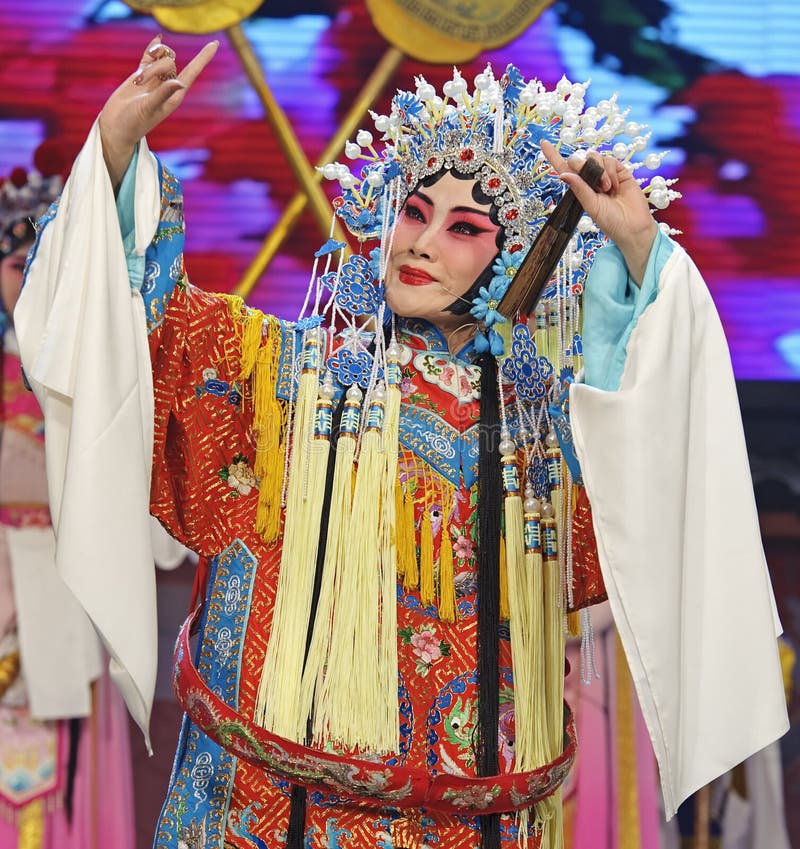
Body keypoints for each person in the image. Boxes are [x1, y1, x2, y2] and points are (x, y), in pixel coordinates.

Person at [14, 37, 788, 849]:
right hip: (260, 813)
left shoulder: (545, 441)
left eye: (463, 227)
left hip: (469, 825)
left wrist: (638, 255)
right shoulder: (271, 374)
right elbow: (123, 341)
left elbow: (657, 474)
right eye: (413, 214)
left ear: (516, 255)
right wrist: (113, 153)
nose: (420, 242)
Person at [0, 154, 136, 848]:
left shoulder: (102, 371)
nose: (29, 279)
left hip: (69, 590)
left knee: (71, 766)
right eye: (17, 265)